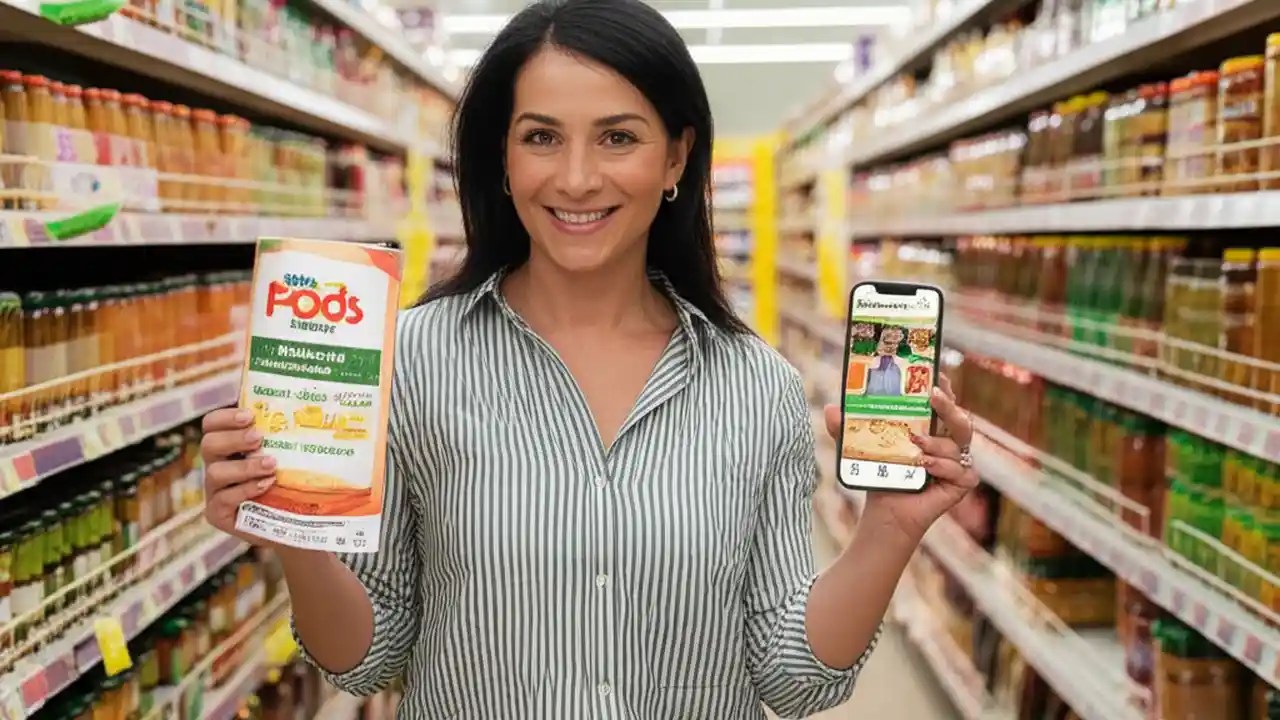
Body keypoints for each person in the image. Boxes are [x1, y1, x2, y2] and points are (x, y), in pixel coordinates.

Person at [198, 0, 980, 717]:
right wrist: (292, 526)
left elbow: (792, 677)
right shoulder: (411, 363)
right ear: (502, 158)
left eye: (618, 137)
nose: (576, 179)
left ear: (676, 158)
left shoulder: (757, 386)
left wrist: (887, 531)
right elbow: (368, 660)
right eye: (542, 137)